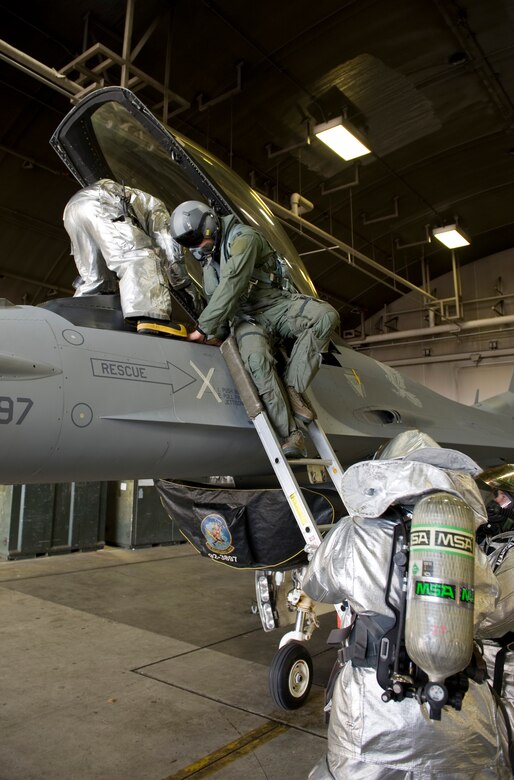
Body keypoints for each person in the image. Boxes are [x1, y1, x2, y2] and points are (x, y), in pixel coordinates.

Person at [303, 429, 511, 779]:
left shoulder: (352, 533)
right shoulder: (459, 536)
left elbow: (318, 588)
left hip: (370, 721)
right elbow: (487, 612)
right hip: (458, 721)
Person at [168, 200, 340, 458]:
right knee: (257, 362)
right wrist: (218, 335)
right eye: (192, 245)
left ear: (212, 226)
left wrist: (204, 328)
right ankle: (291, 435)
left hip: (276, 306)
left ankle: (293, 389)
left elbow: (233, 281)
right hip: (246, 320)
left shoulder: (244, 238)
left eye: (200, 241)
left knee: (326, 316)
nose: (198, 249)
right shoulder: (207, 261)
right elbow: (219, 299)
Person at [63, 179, 203, 337]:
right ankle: (151, 317)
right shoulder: (158, 209)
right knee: (139, 256)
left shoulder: (140, 200)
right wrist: (186, 288)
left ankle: (81, 317)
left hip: (72, 209)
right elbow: (170, 252)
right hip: (102, 201)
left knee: (97, 278)